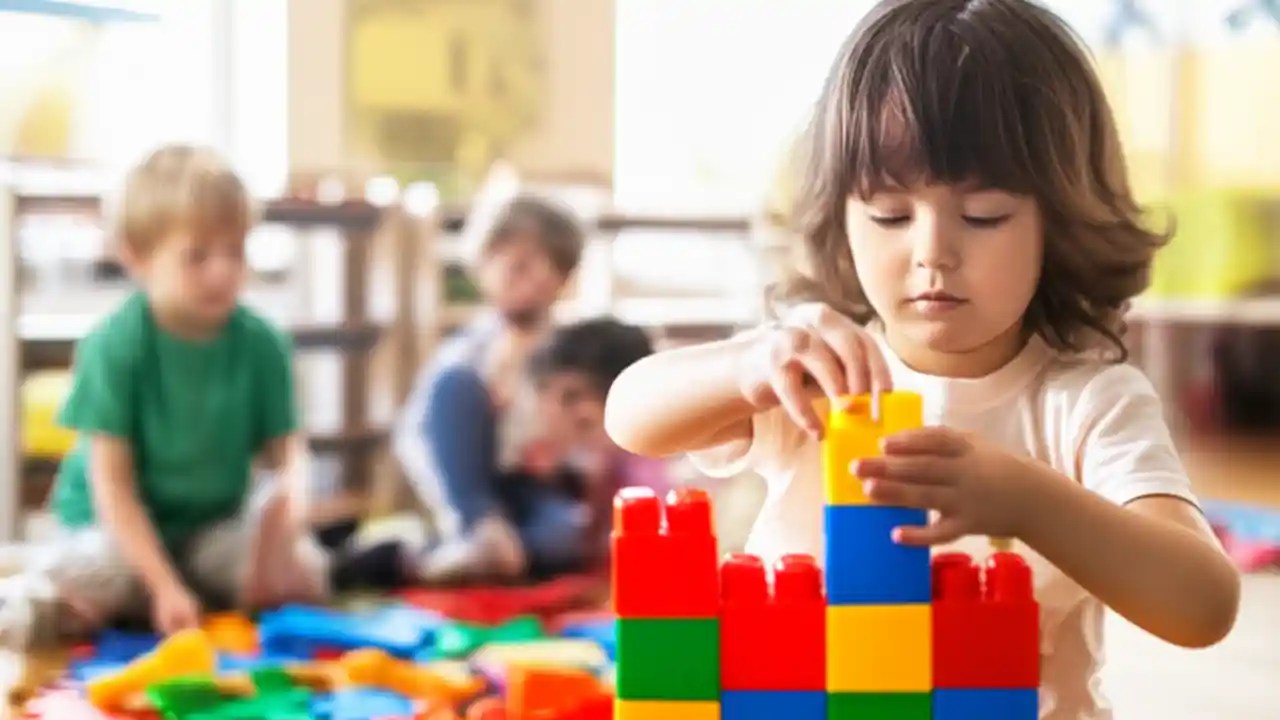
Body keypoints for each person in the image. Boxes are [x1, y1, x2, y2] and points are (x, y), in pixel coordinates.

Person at [604, 2, 1240, 718]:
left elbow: (1203, 604)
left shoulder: (1086, 401)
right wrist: (743, 363)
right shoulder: (819, 371)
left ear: (1055, 223)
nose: (932, 251)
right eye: (889, 215)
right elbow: (631, 416)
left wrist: (1028, 499)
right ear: (841, 221)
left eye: (984, 215)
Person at [0, 145, 328, 649]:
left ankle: (175, 592)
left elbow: (289, 451)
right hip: (114, 527)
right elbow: (113, 489)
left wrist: (290, 508)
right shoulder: (116, 344)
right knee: (100, 575)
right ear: (137, 256)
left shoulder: (262, 343)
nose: (223, 271)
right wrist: (163, 585)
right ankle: (36, 587)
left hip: (210, 527)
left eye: (236, 252)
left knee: (308, 574)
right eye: (197, 256)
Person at [391, 195, 585, 582]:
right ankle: (478, 537)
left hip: (533, 491)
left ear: (561, 277)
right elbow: (416, 437)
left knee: (564, 533)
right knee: (455, 385)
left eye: (528, 267)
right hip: (472, 494)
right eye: (502, 263)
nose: (515, 278)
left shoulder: (571, 353)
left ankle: (470, 557)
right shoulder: (465, 352)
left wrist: (559, 458)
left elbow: (589, 444)